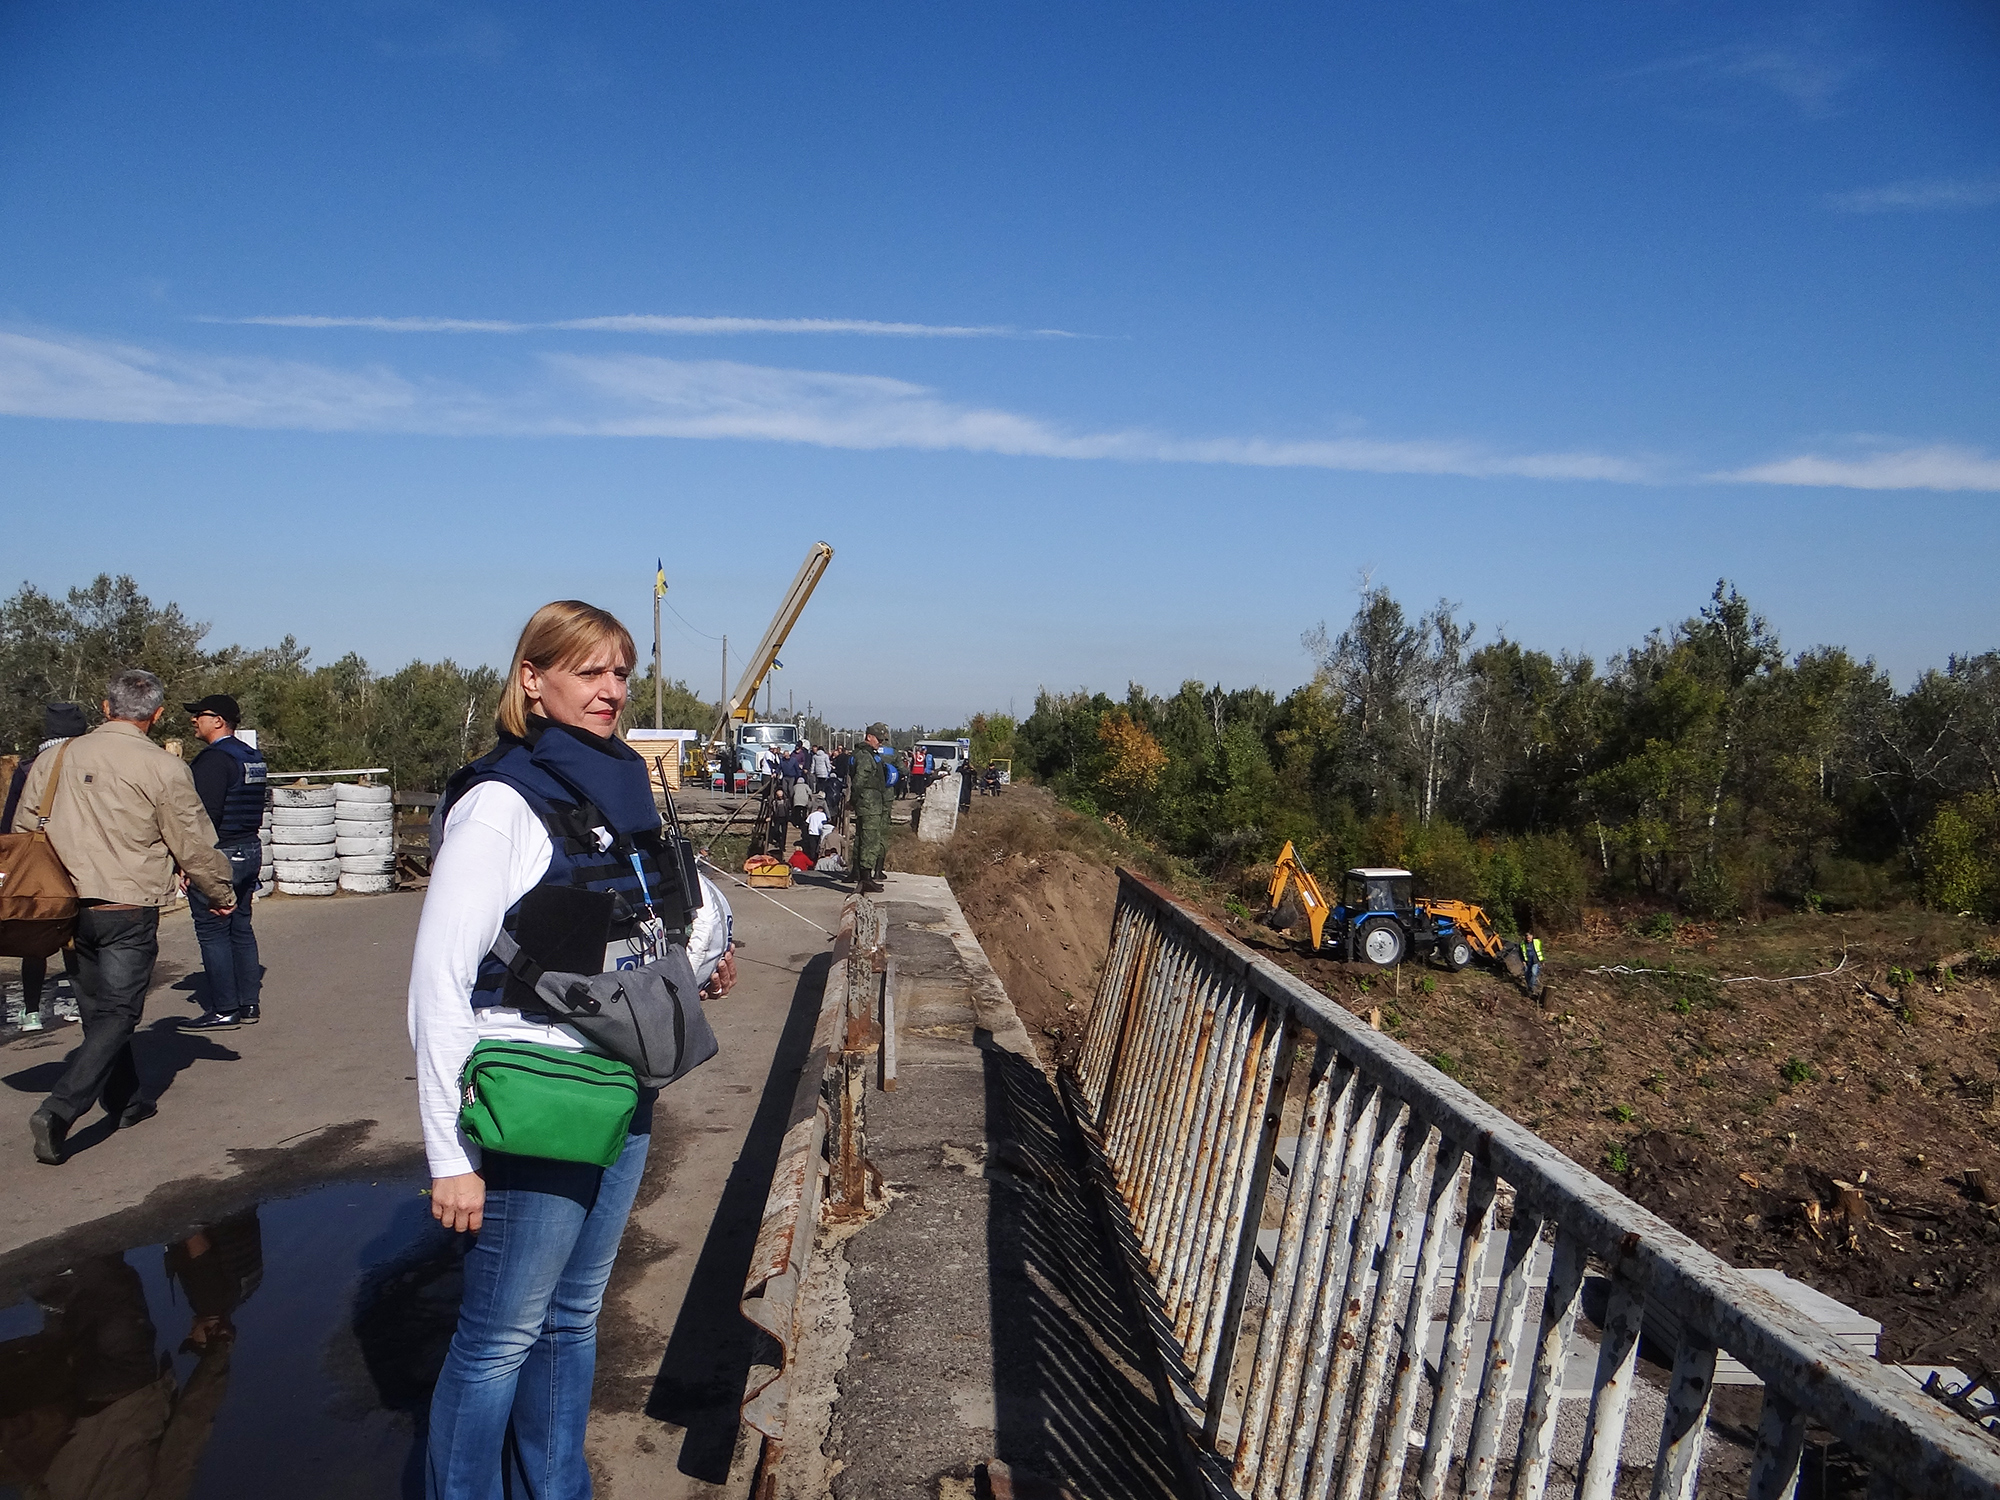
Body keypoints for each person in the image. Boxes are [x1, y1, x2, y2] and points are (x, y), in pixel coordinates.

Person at [411, 600, 737, 1500]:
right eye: (588, 672)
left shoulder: (611, 787)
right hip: (539, 1095)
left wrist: (704, 956)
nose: (611, 692)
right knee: (498, 1339)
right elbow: (437, 982)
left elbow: (662, 906)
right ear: (533, 678)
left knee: (573, 1316)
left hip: (623, 1086)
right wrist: (450, 1154)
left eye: (621, 673)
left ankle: (557, 1490)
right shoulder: (500, 806)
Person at [18, 670, 236, 1166]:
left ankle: (127, 1100)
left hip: (65, 908)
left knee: (99, 1012)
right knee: (119, 1012)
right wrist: (219, 891)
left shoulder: (54, 759)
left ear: (104, 706)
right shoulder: (161, 767)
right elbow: (192, 840)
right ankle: (60, 1109)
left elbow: (23, 829)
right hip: (126, 906)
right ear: (157, 716)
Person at [3, 702, 88, 1033]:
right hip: (79, 860)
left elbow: (10, 824)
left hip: (38, 863)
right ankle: (84, 1004)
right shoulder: (87, 765)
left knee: (35, 931)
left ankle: (32, 1011)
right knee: (75, 933)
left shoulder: (27, 768)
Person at [184, 693, 268, 1027]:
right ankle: (249, 1004)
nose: (194, 720)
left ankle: (224, 1008)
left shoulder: (213, 761)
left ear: (218, 720)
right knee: (240, 926)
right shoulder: (252, 756)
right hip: (249, 848)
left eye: (199, 715)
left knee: (212, 930)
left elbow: (205, 816)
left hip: (221, 853)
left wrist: (190, 862)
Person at [850, 723, 892, 893]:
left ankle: (862, 875)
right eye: (879, 739)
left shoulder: (867, 754)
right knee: (870, 839)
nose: (880, 743)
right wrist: (854, 799)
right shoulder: (865, 756)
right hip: (869, 804)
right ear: (869, 737)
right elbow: (859, 780)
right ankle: (866, 877)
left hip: (871, 802)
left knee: (864, 838)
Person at [1521, 932, 1545, 999]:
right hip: (1527, 961)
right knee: (1526, 974)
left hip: (1535, 961)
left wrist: (1542, 961)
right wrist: (1523, 961)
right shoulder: (1523, 944)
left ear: (1532, 936)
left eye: (1529, 937)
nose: (1528, 939)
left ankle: (1530, 988)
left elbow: (1540, 951)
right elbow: (1521, 953)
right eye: (1527, 937)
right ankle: (1529, 986)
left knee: (1534, 973)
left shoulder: (1536, 942)